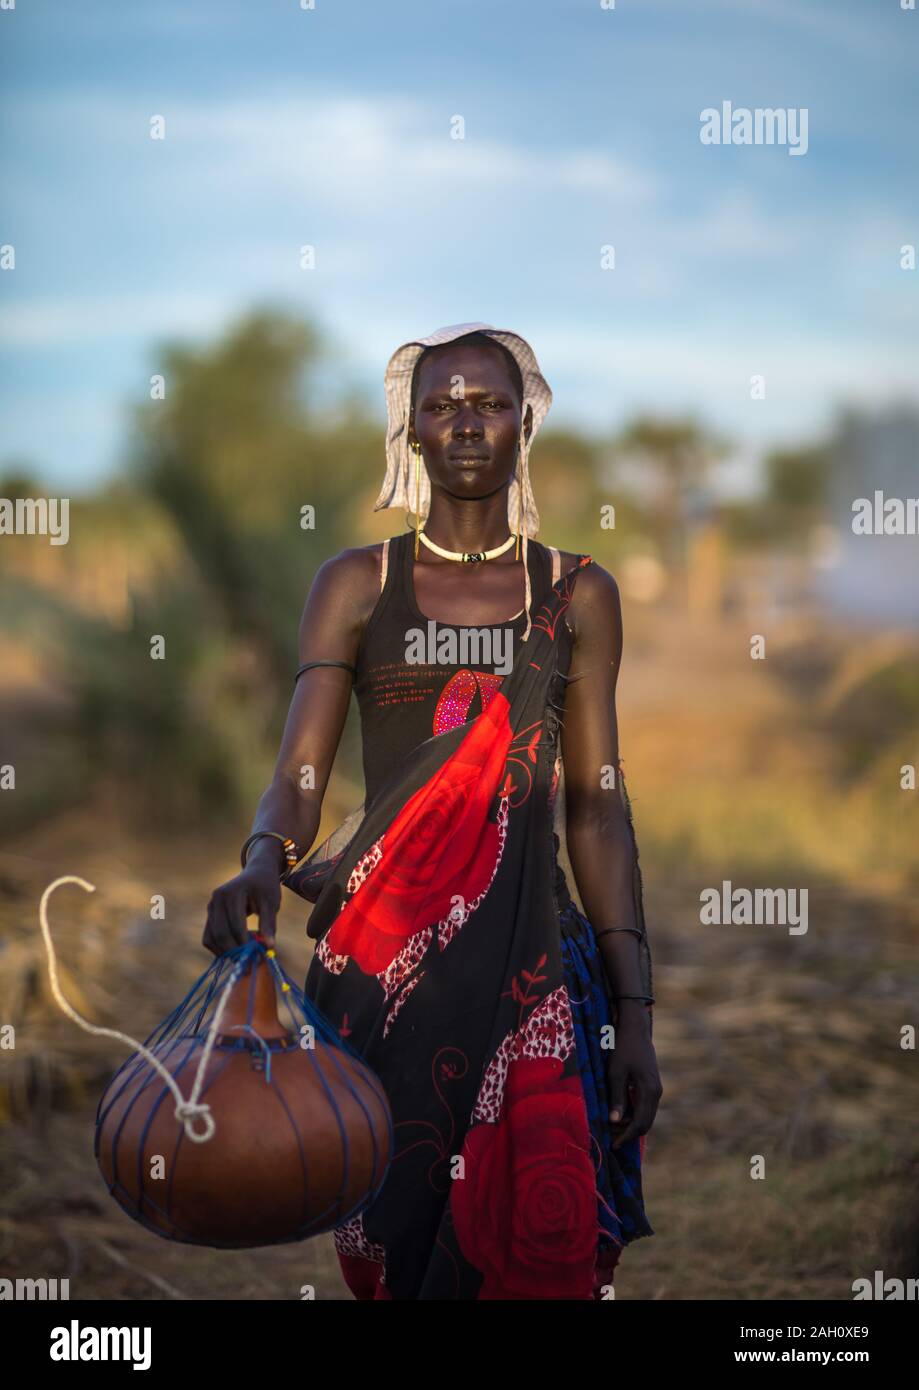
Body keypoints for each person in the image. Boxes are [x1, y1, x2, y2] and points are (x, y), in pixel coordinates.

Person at [203, 322, 662, 1300]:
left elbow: (594, 807)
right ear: (408, 430)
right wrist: (257, 855)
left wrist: (633, 1014)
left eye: (489, 403)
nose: (465, 422)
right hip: (384, 974)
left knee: (534, 1243)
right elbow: (300, 771)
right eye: (442, 404)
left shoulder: (577, 593)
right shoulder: (356, 586)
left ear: (524, 424)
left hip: (534, 976)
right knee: (399, 1253)